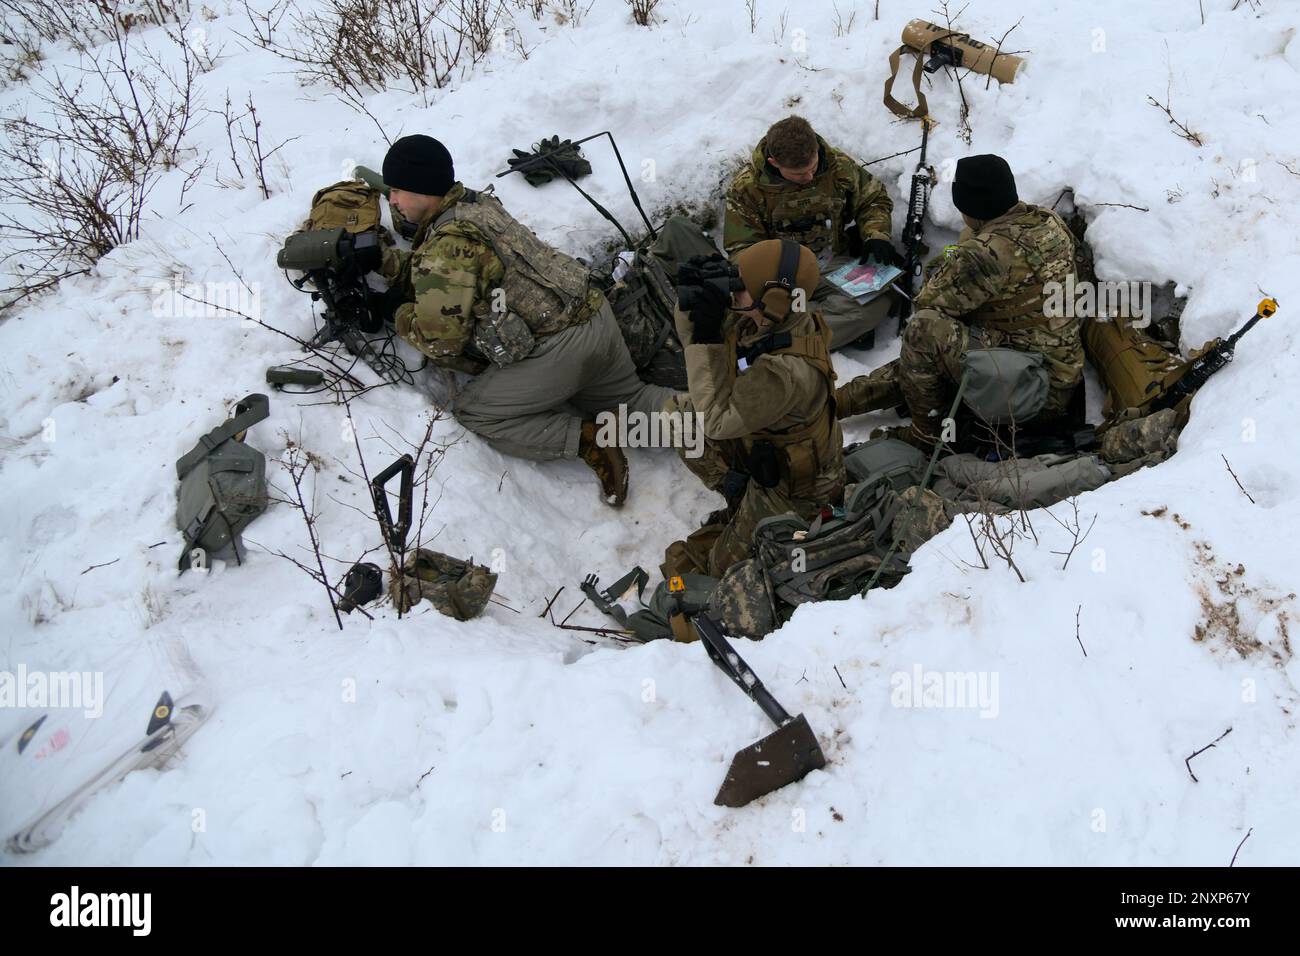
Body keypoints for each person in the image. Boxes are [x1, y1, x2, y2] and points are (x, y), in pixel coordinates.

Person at [375, 134, 678, 506]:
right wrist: (388, 264)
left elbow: (441, 340)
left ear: (423, 190)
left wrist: (395, 312)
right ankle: (727, 418)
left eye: (397, 190)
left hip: (561, 352)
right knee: (632, 402)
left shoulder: (449, 242)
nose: (392, 200)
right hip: (596, 316)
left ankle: (587, 438)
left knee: (477, 414)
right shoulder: (476, 204)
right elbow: (446, 270)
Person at [836, 154, 1084, 447]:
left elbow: (927, 303)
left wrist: (950, 257)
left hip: (1030, 391)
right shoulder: (1046, 220)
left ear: (967, 204)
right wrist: (957, 251)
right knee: (938, 346)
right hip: (1056, 371)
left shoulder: (983, 254)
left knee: (924, 333)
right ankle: (836, 403)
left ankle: (928, 435)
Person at [662, 239, 845, 578]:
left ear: (773, 300)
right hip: (765, 447)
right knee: (679, 416)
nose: (734, 296)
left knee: (720, 571)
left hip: (796, 489)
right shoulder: (779, 318)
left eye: (740, 289)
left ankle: (759, 509)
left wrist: (705, 336)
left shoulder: (784, 372)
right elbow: (722, 337)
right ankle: (738, 492)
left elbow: (715, 421)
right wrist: (692, 302)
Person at [724, 115, 902, 350]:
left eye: (813, 168)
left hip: (831, 265)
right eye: (798, 174)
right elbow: (740, 249)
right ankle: (809, 335)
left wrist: (876, 235)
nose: (809, 178)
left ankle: (786, 338)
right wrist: (767, 288)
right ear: (774, 162)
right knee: (757, 310)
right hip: (780, 279)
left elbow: (872, 199)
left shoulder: (838, 165)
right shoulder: (747, 188)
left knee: (881, 296)